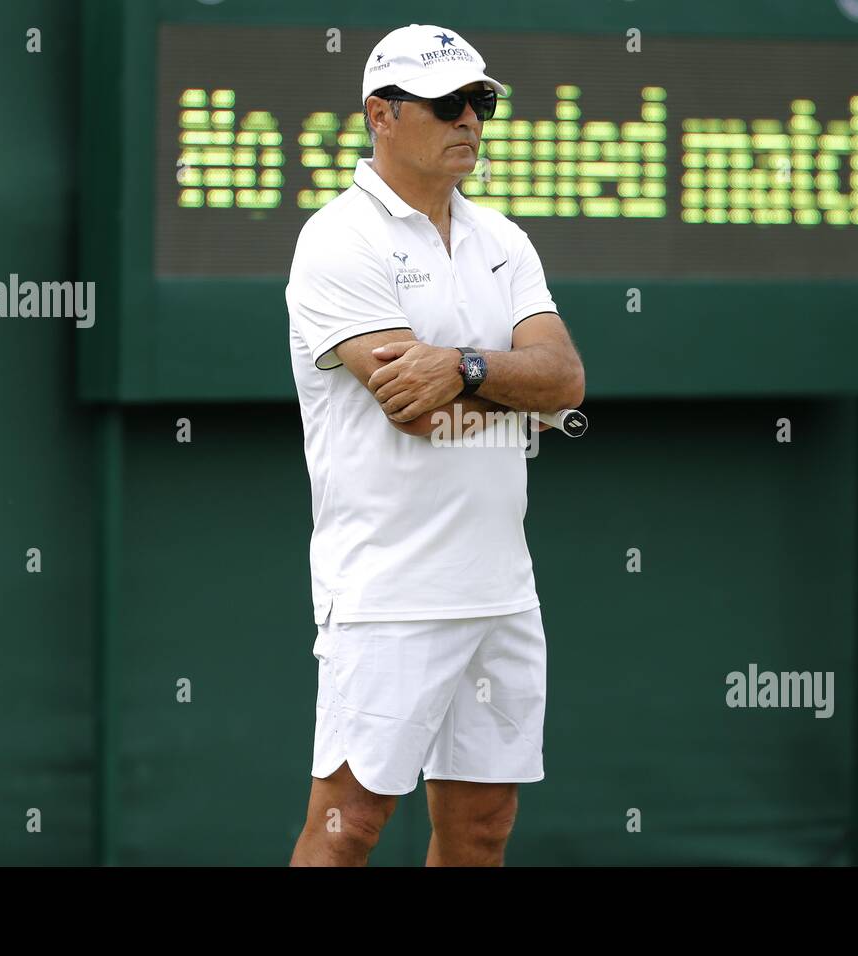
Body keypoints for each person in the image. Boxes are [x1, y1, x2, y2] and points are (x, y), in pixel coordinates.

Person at [285, 23, 585, 866]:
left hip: (501, 591)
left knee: (481, 832)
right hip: (388, 591)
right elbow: (409, 407)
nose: (470, 120)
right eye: (447, 103)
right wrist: (508, 384)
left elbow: (564, 383)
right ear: (381, 114)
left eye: (480, 101)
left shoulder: (503, 240)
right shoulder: (337, 240)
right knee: (347, 831)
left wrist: (461, 365)